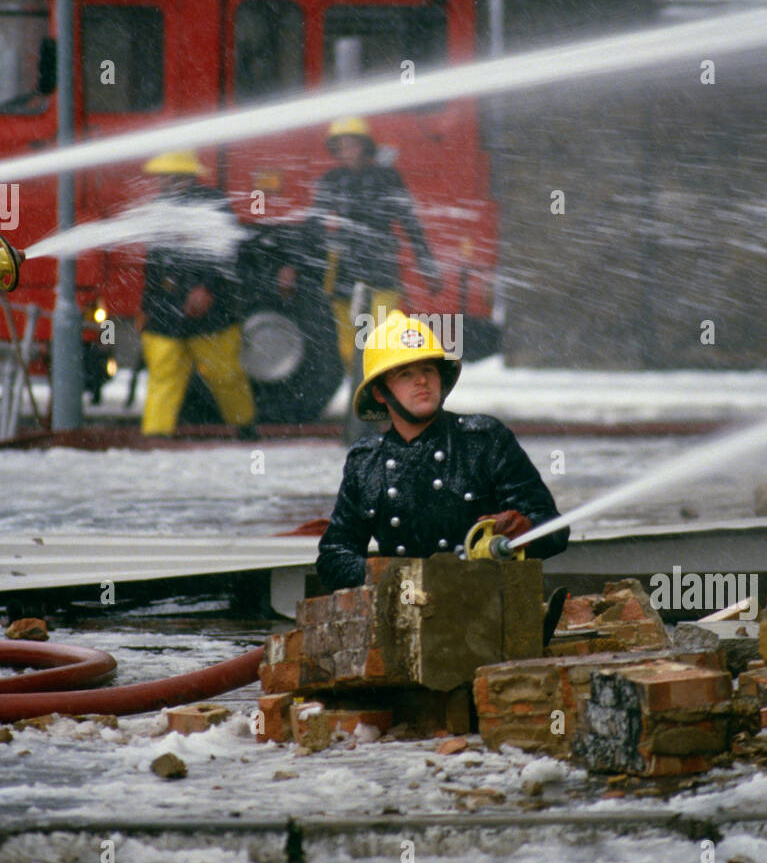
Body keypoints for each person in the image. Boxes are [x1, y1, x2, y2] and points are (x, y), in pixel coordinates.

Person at [317, 309, 569, 591]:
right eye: (405, 373)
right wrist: (387, 574)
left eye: (428, 369)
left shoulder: (484, 441)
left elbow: (556, 530)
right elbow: (333, 557)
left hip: (489, 608)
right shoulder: (366, 463)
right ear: (379, 393)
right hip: (403, 610)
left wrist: (526, 530)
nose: (421, 381)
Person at [308, 117, 443, 371]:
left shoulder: (388, 179)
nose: (346, 151)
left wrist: (428, 267)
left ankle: (382, 396)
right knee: (348, 348)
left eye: (352, 144)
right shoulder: (330, 181)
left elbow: (410, 223)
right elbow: (313, 227)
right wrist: (297, 267)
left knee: (380, 341)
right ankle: (364, 399)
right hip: (343, 274)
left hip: (381, 272)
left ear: (365, 146)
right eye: (341, 146)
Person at [138, 152, 257, 437]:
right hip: (166, 308)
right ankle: (155, 438)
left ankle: (244, 428)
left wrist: (207, 288)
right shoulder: (158, 208)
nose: (161, 182)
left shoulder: (213, 204)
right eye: (161, 177)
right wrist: (145, 306)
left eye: (167, 176)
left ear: (184, 176)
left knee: (225, 374)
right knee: (163, 375)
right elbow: (153, 263)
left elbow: (226, 252)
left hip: (211, 309)